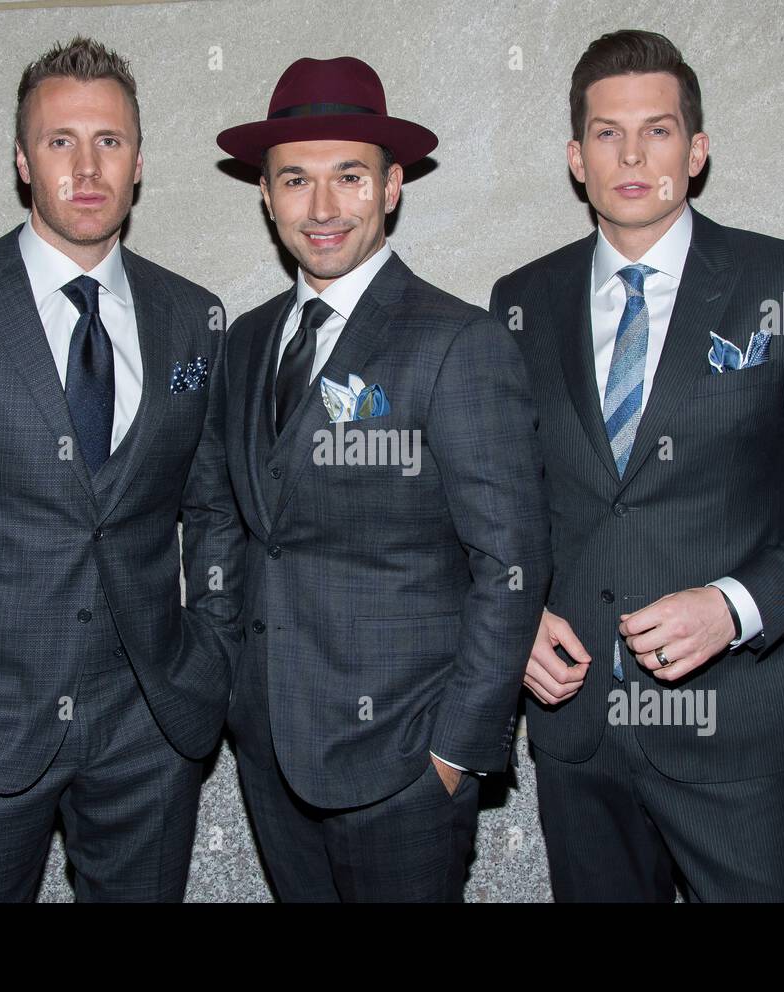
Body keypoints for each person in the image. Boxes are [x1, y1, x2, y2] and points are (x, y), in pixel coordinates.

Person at [490, 29, 784, 901]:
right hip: (576, 732)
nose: (633, 153)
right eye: (607, 133)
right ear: (576, 158)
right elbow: (505, 497)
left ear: (698, 148)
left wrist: (733, 606)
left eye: (659, 129)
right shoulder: (521, 300)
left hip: (738, 732)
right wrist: (516, 616)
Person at [0, 36, 243, 901]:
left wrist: (208, 657)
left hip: (150, 729)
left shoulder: (194, 321)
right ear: (23, 162)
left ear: (139, 162)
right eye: (60, 141)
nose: (87, 165)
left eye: (110, 141)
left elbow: (214, 510)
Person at [216, 56, 550, 901]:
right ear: (266, 195)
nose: (322, 209)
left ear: (392, 186)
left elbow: (511, 562)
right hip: (268, 746)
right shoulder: (248, 341)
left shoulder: (456, 343)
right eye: (296, 180)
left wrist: (453, 753)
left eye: (349, 178)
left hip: (403, 763)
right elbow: (234, 524)